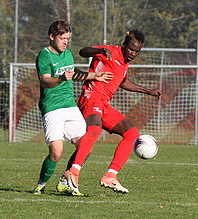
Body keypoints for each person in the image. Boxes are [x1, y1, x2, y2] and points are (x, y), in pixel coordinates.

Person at [63, 29, 161, 194]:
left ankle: (110, 176)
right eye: (131, 49)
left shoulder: (124, 62)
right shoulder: (110, 51)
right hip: (91, 98)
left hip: (104, 105)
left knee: (131, 133)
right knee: (94, 130)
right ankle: (73, 173)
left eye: (137, 51)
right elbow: (83, 51)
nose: (133, 53)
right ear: (124, 45)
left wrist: (147, 91)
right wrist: (98, 51)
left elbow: (123, 82)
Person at [33, 20, 112, 195]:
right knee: (56, 153)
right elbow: (45, 80)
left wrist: (94, 76)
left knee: (85, 146)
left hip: (70, 106)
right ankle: (40, 184)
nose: (65, 42)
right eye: (62, 38)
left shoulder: (67, 54)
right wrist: (61, 78)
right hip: (52, 107)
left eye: (68, 38)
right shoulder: (44, 55)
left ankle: (66, 180)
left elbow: (72, 72)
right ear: (52, 37)